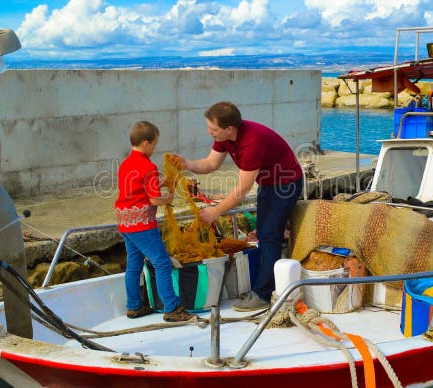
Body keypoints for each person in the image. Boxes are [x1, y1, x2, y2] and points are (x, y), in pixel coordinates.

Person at [179, 102, 303, 311]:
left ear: (229, 128)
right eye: (209, 127)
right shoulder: (225, 137)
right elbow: (210, 164)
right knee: (264, 234)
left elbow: (241, 191)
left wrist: (215, 212)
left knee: (269, 235)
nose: (209, 132)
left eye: (213, 129)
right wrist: (187, 164)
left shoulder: (252, 141)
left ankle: (263, 294)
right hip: (268, 182)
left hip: (286, 184)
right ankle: (265, 284)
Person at [115, 121, 192, 322]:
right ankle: (172, 307)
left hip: (125, 221)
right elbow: (154, 199)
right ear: (146, 143)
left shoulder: (125, 164)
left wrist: (161, 183)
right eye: (155, 144)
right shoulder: (148, 166)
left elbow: (137, 188)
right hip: (142, 223)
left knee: (134, 265)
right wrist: (168, 198)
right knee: (162, 263)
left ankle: (134, 306)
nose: (155, 148)